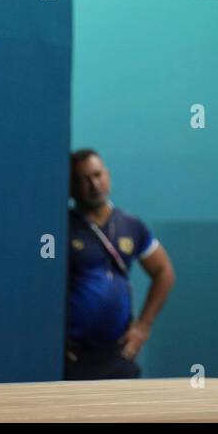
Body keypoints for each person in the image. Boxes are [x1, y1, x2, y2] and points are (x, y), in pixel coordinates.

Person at [65, 149, 176, 380]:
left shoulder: (131, 226)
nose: (94, 184)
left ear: (108, 176)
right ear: (72, 187)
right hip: (74, 356)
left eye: (97, 175)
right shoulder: (63, 227)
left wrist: (143, 326)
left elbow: (164, 272)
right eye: (84, 179)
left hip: (119, 353)